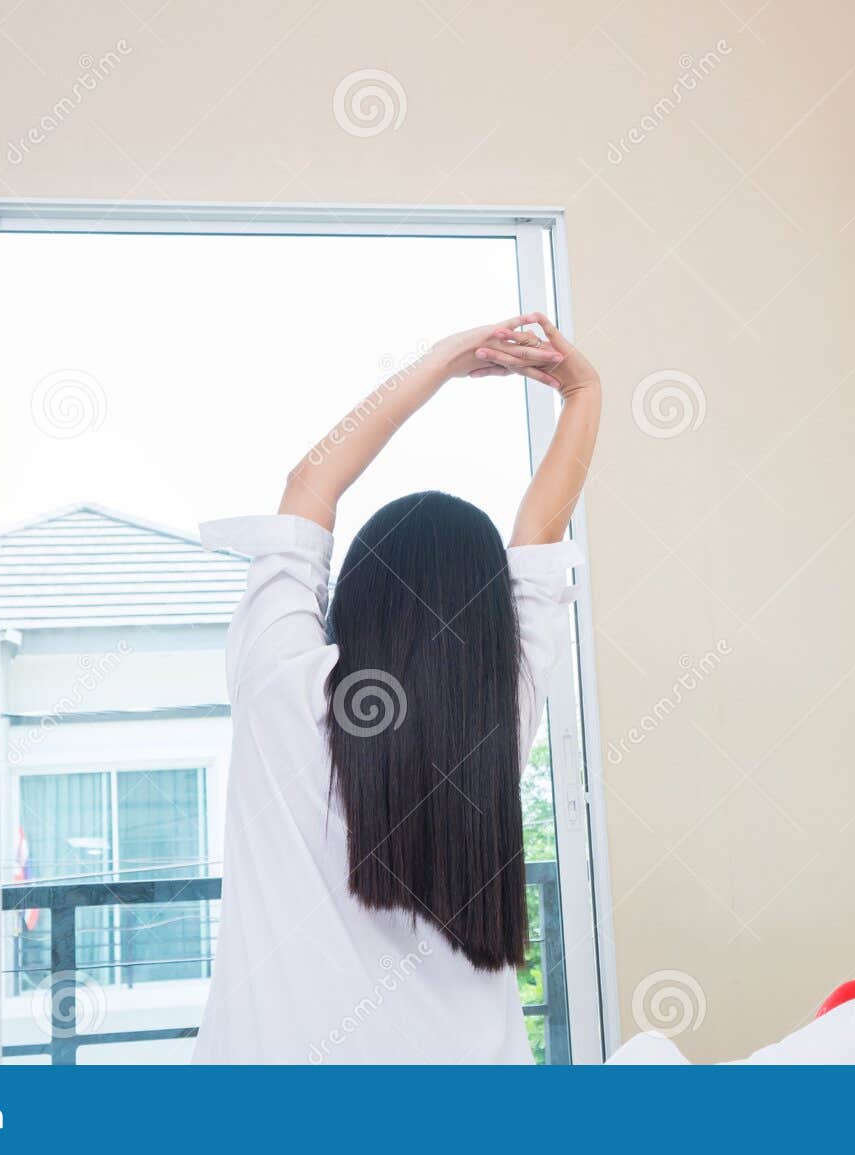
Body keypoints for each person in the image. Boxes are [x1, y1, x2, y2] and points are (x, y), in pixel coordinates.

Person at [193, 313, 601, 1063]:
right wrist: (584, 393)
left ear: (357, 594)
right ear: (489, 621)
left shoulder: (284, 690)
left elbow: (309, 483)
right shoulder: (496, 714)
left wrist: (443, 361)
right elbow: (542, 536)